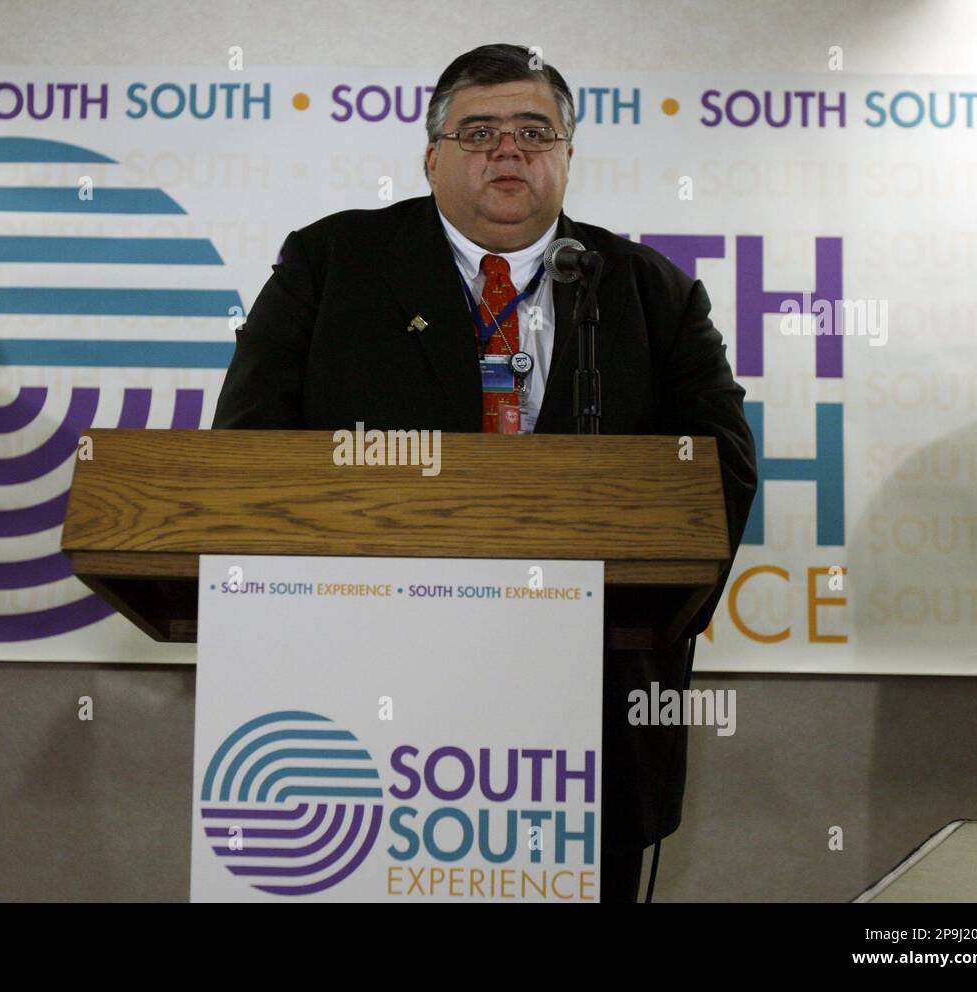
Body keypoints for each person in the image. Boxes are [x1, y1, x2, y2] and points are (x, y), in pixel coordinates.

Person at [212, 43, 758, 901]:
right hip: (355, 711)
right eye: (479, 132)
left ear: (569, 157)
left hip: (589, 711)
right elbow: (248, 451)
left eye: (535, 131)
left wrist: (645, 599)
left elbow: (719, 469)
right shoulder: (332, 264)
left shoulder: (653, 292)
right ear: (432, 157)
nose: (509, 150)